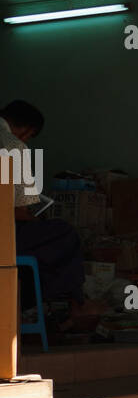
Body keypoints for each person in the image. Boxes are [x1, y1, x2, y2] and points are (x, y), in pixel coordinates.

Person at [0, 100, 85, 313]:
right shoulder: (14, 146)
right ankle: (72, 306)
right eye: (29, 136)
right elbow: (19, 211)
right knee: (64, 234)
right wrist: (36, 217)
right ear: (27, 131)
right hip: (5, 238)